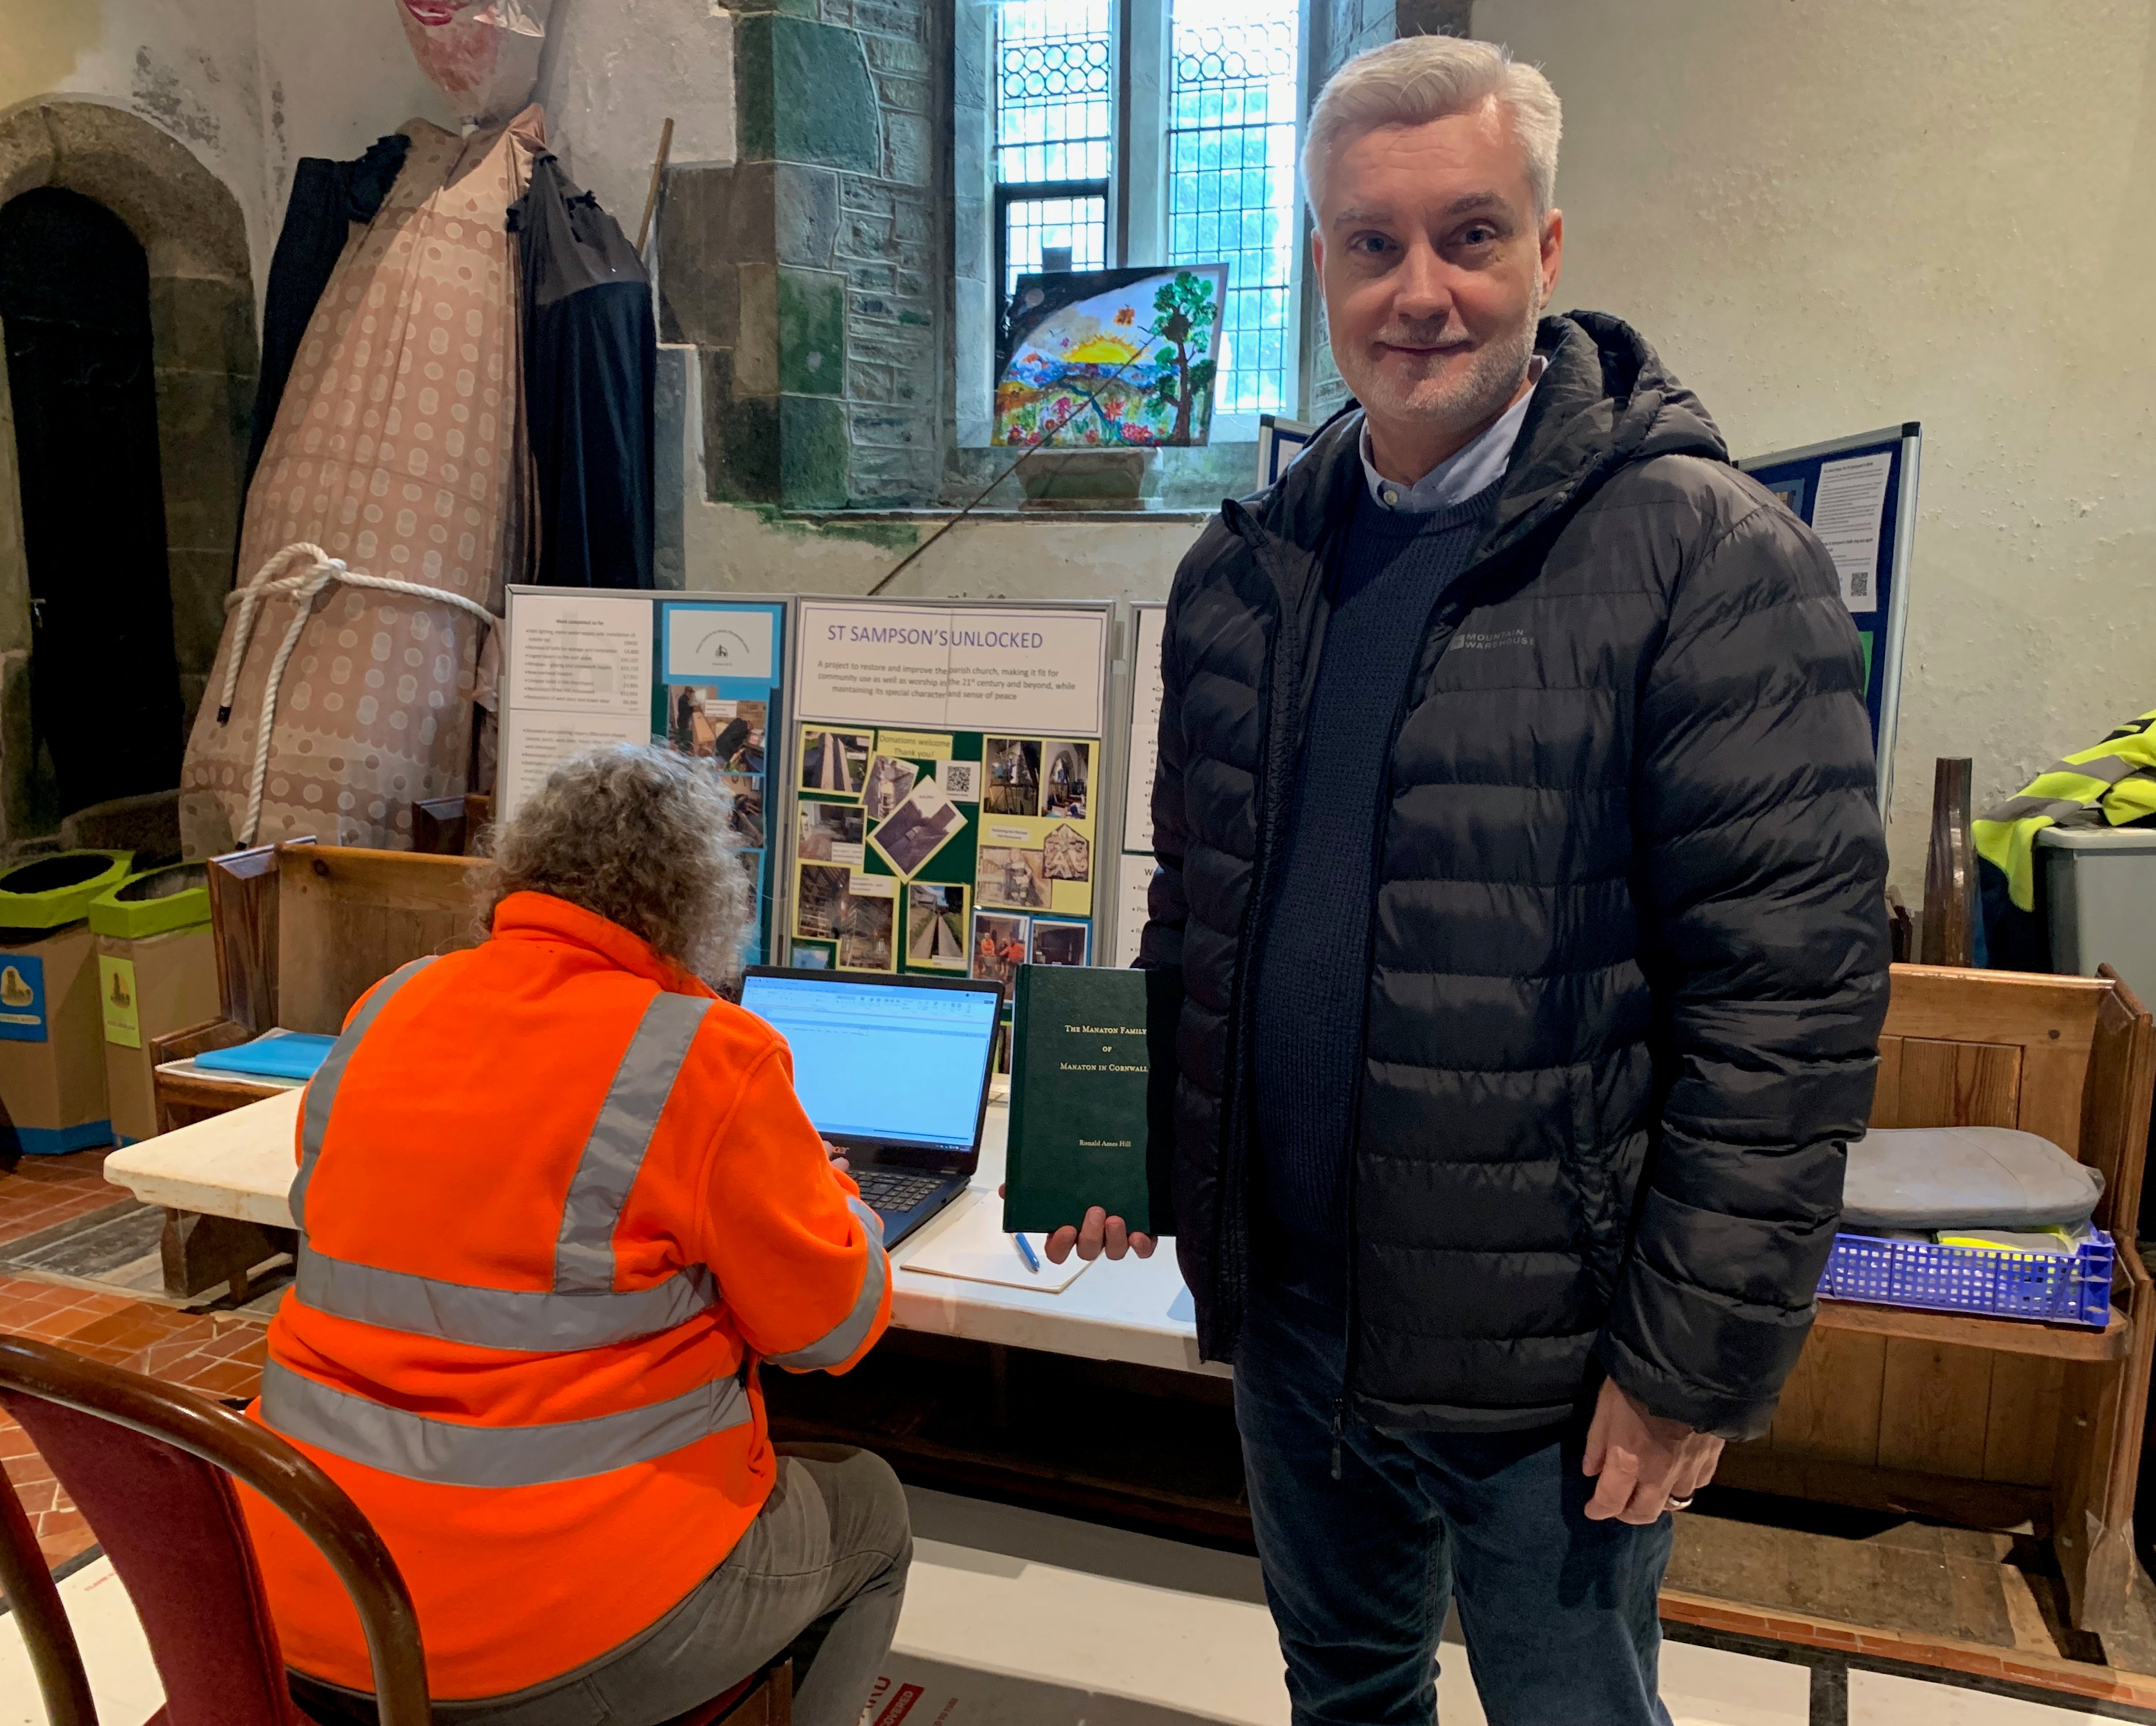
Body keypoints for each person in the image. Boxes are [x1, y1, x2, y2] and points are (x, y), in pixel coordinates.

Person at [1052, 36, 1890, 1726]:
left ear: (1549, 253)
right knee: (1346, 1695)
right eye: (1374, 244)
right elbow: (1191, 915)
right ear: (1321, 267)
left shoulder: (1703, 557)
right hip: (1293, 1319)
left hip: (1548, 1358)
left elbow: (1786, 1011)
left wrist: (1686, 1369)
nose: (1420, 290)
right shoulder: (1247, 572)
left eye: (1472, 235)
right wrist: (1127, 1138)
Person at [243, 744, 909, 1726]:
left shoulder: (390, 1005)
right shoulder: (707, 1056)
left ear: (520, 870)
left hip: (304, 1588)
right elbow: (829, 1332)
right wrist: (843, 1210)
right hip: (547, 1633)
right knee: (872, 1514)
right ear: (698, 900)